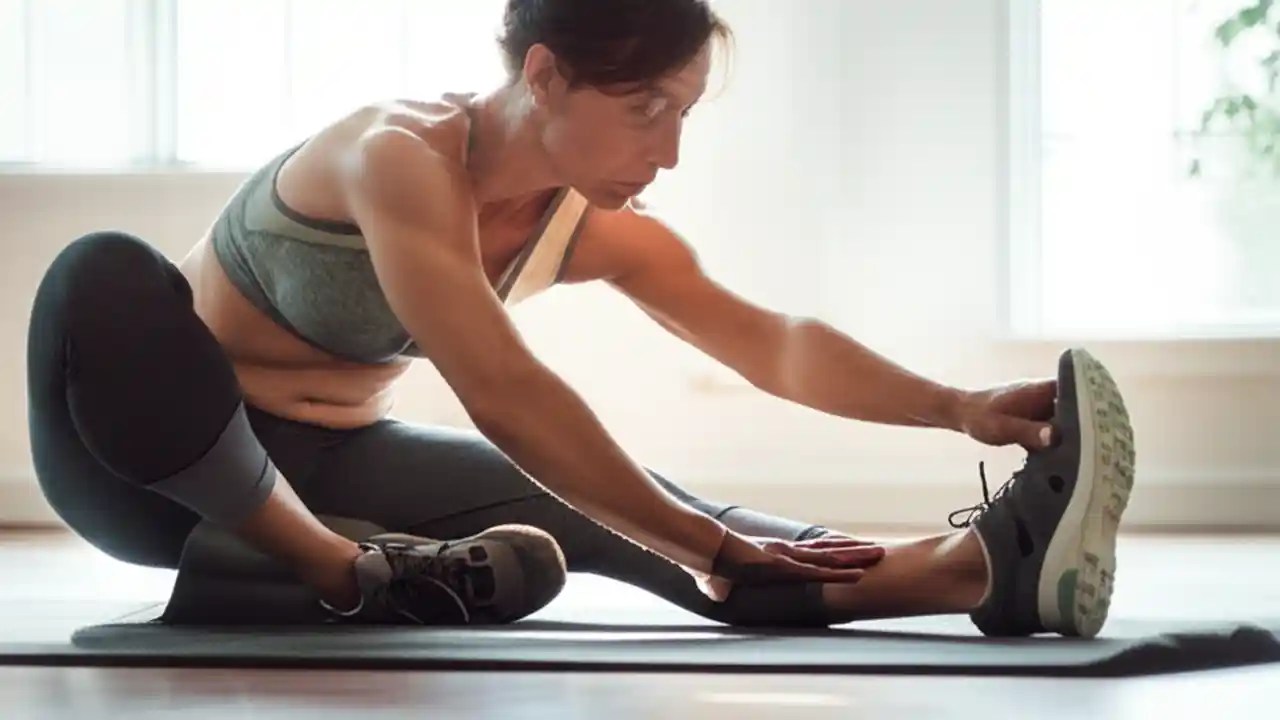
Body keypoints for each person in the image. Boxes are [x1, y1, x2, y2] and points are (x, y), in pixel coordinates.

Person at [26, 0, 1135, 635]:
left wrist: (958, 407)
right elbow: (503, 389)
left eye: (684, 112)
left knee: (636, 513)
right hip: (147, 462)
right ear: (546, 76)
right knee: (103, 271)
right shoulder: (396, 158)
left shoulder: (593, 226)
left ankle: (976, 569)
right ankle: (331, 568)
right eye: (643, 107)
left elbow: (771, 342)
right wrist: (700, 545)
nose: (666, 149)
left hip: (337, 466)